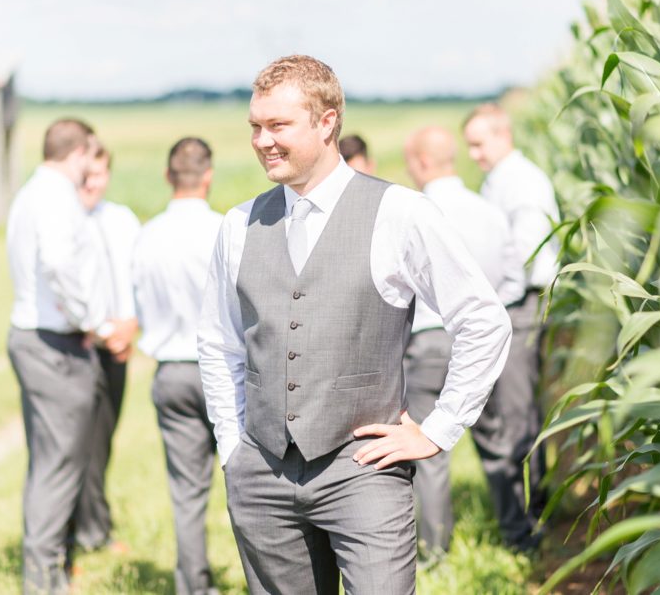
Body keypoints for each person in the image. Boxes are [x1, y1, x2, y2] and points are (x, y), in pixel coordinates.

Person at [197, 55, 512, 594]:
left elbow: (483, 319)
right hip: (262, 475)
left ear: (327, 122)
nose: (262, 141)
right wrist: (233, 445)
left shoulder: (400, 213)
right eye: (255, 126)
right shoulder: (238, 224)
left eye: (278, 125)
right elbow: (219, 343)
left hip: (364, 470)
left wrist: (438, 429)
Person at [6, 118, 136, 594]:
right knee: (59, 469)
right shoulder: (56, 196)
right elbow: (60, 264)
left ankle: (49, 573)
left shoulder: (31, 192)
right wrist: (94, 322)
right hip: (55, 345)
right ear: (79, 152)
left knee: (49, 463)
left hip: (36, 338)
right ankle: (45, 582)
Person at [402, 126, 525, 559]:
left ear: (421, 161)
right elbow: (514, 280)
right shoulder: (489, 212)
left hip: (430, 343)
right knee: (495, 441)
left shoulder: (415, 213)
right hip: (484, 341)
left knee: (429, 452)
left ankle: (434, 551)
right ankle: (518, 534)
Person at [462, 103, 560, 552]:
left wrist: (488, 300)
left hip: (519, 305)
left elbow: (525, 251)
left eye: (479, 144)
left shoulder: (522, 182)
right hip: (510, 303)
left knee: (517, 413)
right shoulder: (498, 179)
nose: (474, 154)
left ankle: (531, 516)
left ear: (503, 135)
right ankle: (531, 507)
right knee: (517, 409)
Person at [132, 137, 224, 595]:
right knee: (248, 487)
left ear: (169, 175)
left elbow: (136, 301)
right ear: (208, 175)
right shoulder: (225, 229)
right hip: (222, 371)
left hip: (170, 370)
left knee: (187, 493)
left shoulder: (146, 234)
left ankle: (193, 587)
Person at [73, 144, 140, 554]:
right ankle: (89, 531)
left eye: (98, 174)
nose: (91, 183)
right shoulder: (67, 221)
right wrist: (101, 330)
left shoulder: (122, 219)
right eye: (86, 175)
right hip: (80, 346)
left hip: (118, 345)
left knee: (104, 438)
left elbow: (138, 278)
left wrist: (129, 327)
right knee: (80, 444)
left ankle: (92, 525)